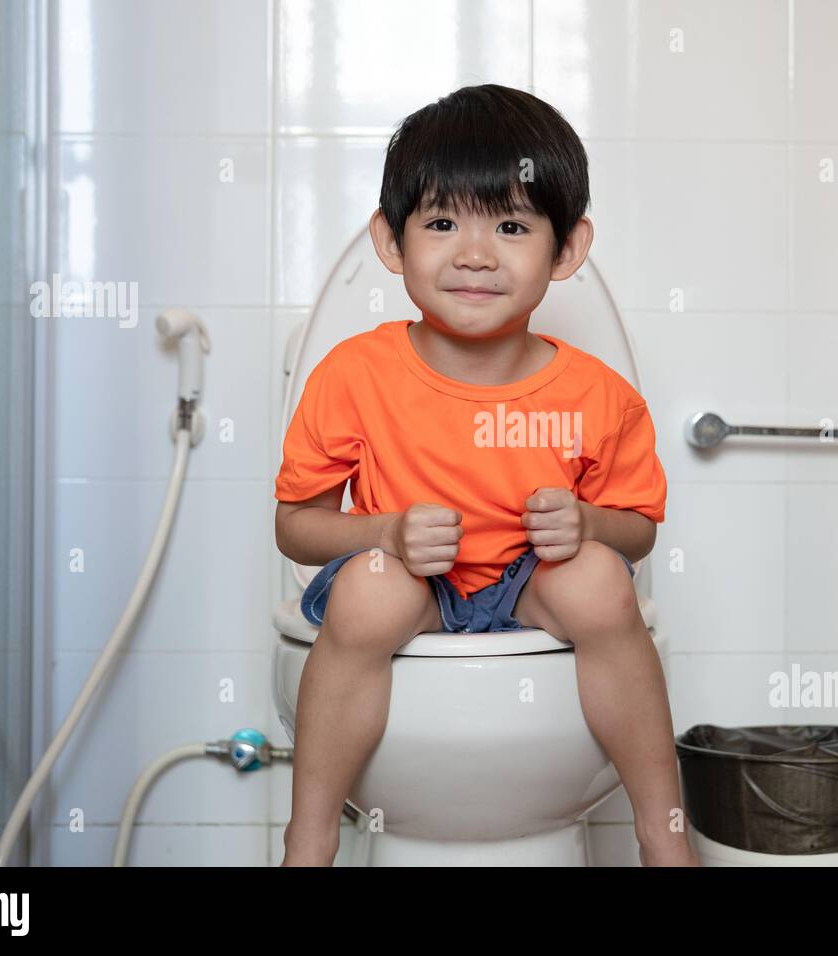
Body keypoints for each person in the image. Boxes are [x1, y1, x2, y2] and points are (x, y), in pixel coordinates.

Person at [273, 83, 697, 867]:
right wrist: (385, 533)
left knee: (601, 579)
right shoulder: (355, 373)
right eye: (440, 223)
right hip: (410, 595)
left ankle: (662, 838)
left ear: (566, 249)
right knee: (369, 584)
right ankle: (311, 835)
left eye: (510, 225)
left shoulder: (599, 396)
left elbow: (637, 527)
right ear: (392, 243)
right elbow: (295, 526)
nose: (474, 253)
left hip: (528, 589)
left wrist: (589, 523)